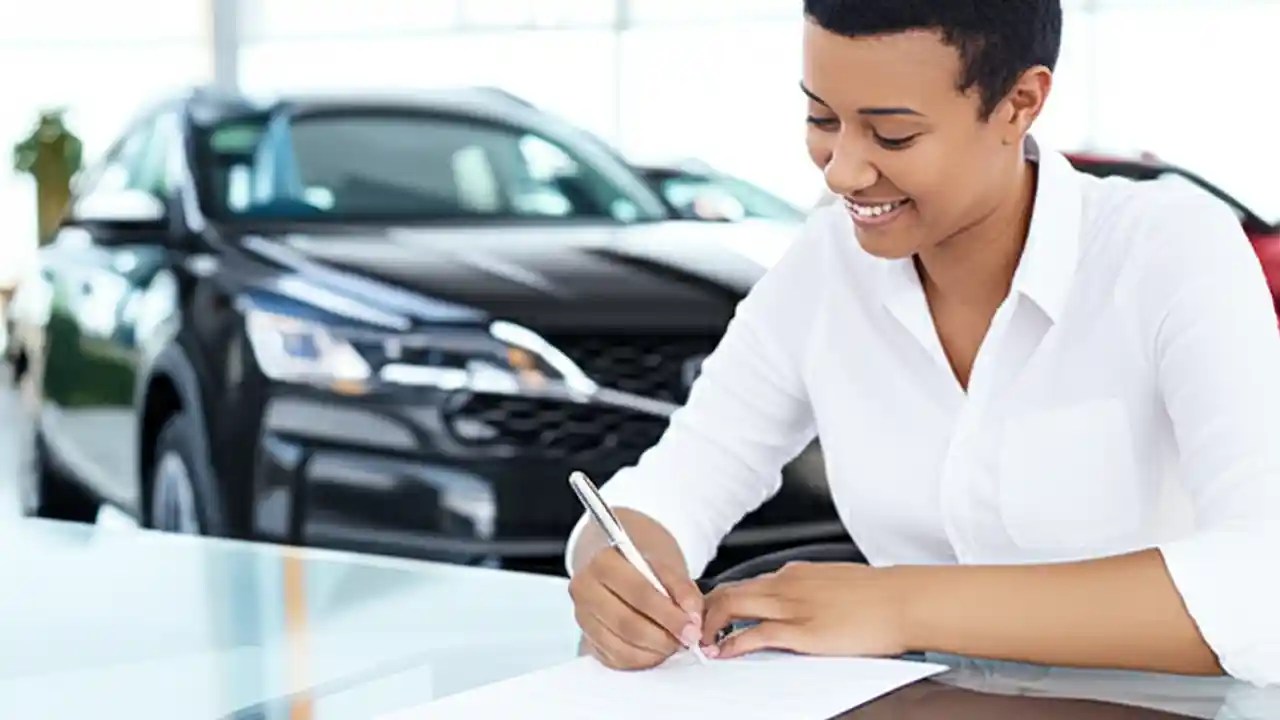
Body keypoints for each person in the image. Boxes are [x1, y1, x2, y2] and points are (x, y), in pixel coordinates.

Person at [565, 0, 1280, 687]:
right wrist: (619, 565)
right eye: (822, 118)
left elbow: (1264, 586)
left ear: (1019, 103)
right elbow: (675, 484)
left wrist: (898, 605)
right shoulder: (825, 264)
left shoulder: (1168, 249)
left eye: (893, 136)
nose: (841, 171)